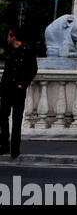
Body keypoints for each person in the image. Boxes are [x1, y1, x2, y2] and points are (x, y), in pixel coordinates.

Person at [0, 26, 38, 161]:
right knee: (3, 117)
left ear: (13, 36)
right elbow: (7, 71)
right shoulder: (9, 50)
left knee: (17, 120)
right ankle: (4, 145)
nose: (7, 39)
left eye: (8, 36)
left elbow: (33, 69)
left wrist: (23, 84)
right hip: (6, 88)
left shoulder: (27, 50)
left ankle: (15, 149)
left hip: (18, 90)